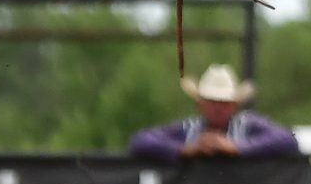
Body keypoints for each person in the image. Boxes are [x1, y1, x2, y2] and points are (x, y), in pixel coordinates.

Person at [128, 63, 299, 162]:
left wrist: (237, 148)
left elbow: (287, 139)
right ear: (200, 104)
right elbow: (140, 141)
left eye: (224, 102)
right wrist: (185, 151)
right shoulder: (188, 129)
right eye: (212, 102)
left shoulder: (249, 126)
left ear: (235, 105)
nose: (218, 108)